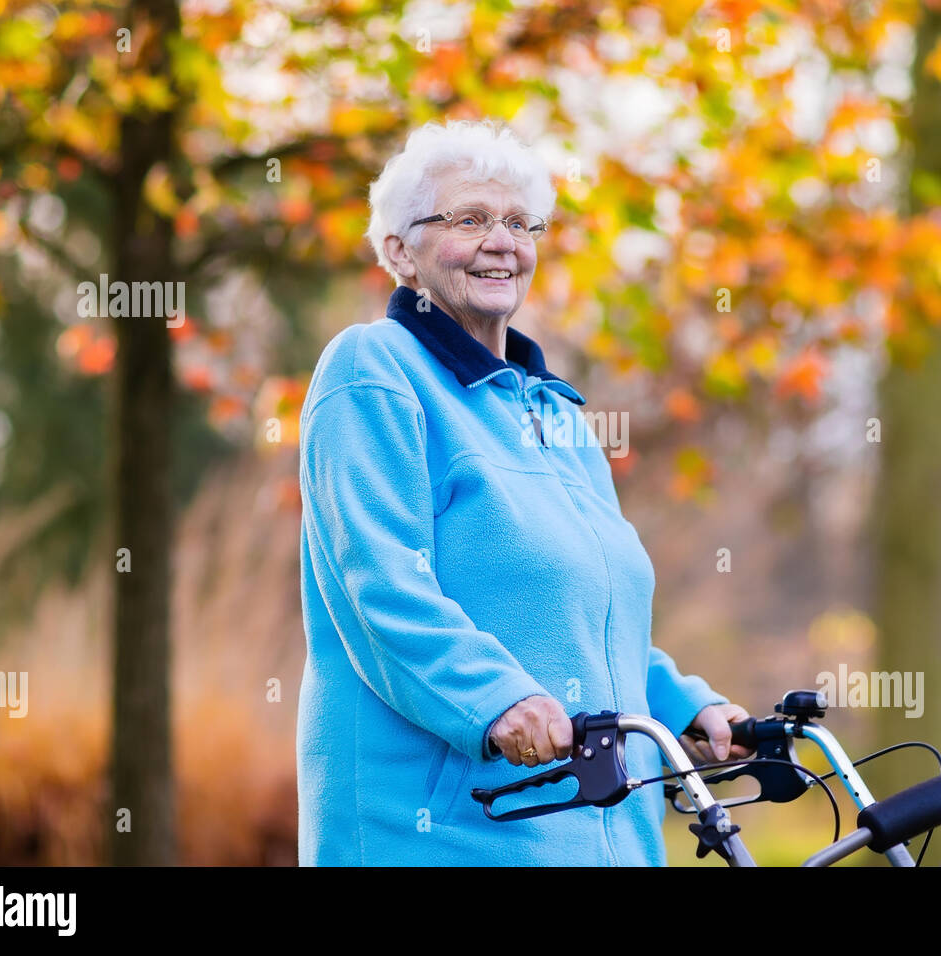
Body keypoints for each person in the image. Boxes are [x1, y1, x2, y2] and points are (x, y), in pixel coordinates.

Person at [297, 117, 751, 866]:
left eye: (519, 223)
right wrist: (493, 699)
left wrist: (682, 706)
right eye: (469, 220)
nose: (501, 241)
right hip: (440, 837)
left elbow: (593, 620)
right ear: (400, 251)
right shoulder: (373, 370)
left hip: (601, 837)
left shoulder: (558, 415)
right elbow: (379, 586)